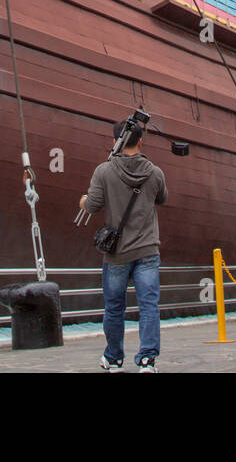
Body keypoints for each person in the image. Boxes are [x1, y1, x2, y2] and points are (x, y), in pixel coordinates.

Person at [80, 116, 168, 373]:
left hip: (117, 254)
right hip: (148, 251)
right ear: (141, 142)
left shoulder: (104, 171)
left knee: (114, 307)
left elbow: (92, 205)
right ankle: (147, 361)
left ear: (115, 141)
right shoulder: (155, 172)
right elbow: (162, 198)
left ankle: (114, 358)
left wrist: (83, 201)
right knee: (149, 306)